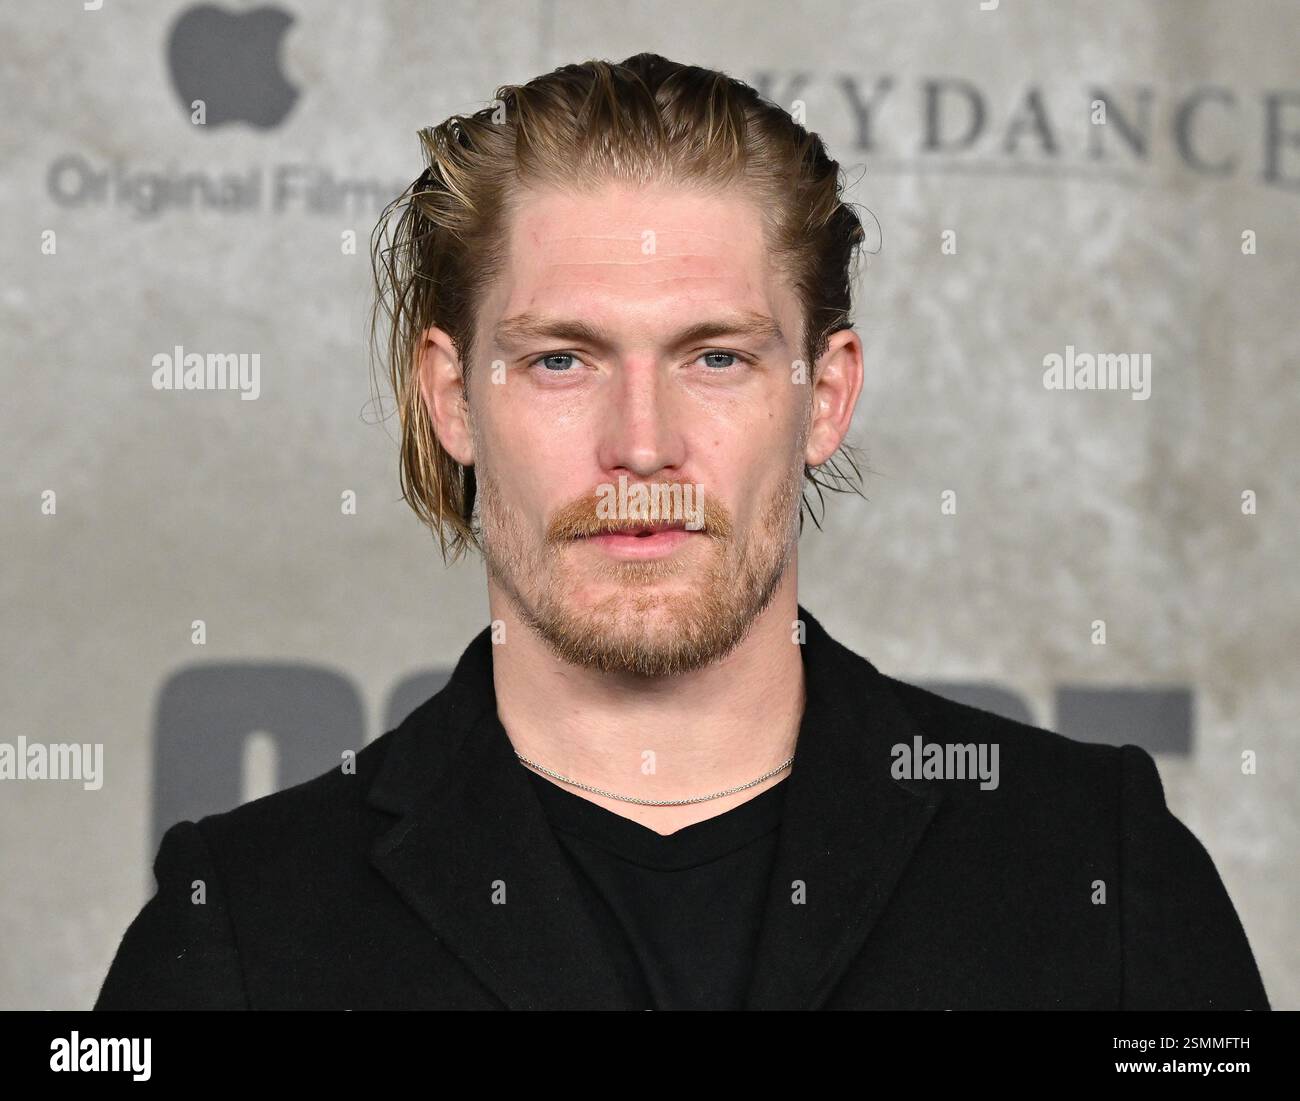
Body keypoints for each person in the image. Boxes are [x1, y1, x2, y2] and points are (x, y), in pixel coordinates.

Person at [94, 52, 1268, 1011]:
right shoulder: (241, 927)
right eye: (562, 359)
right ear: (451, 399)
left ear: (822, 397)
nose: (641, 444)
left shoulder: (1090, 871)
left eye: (715, 357)